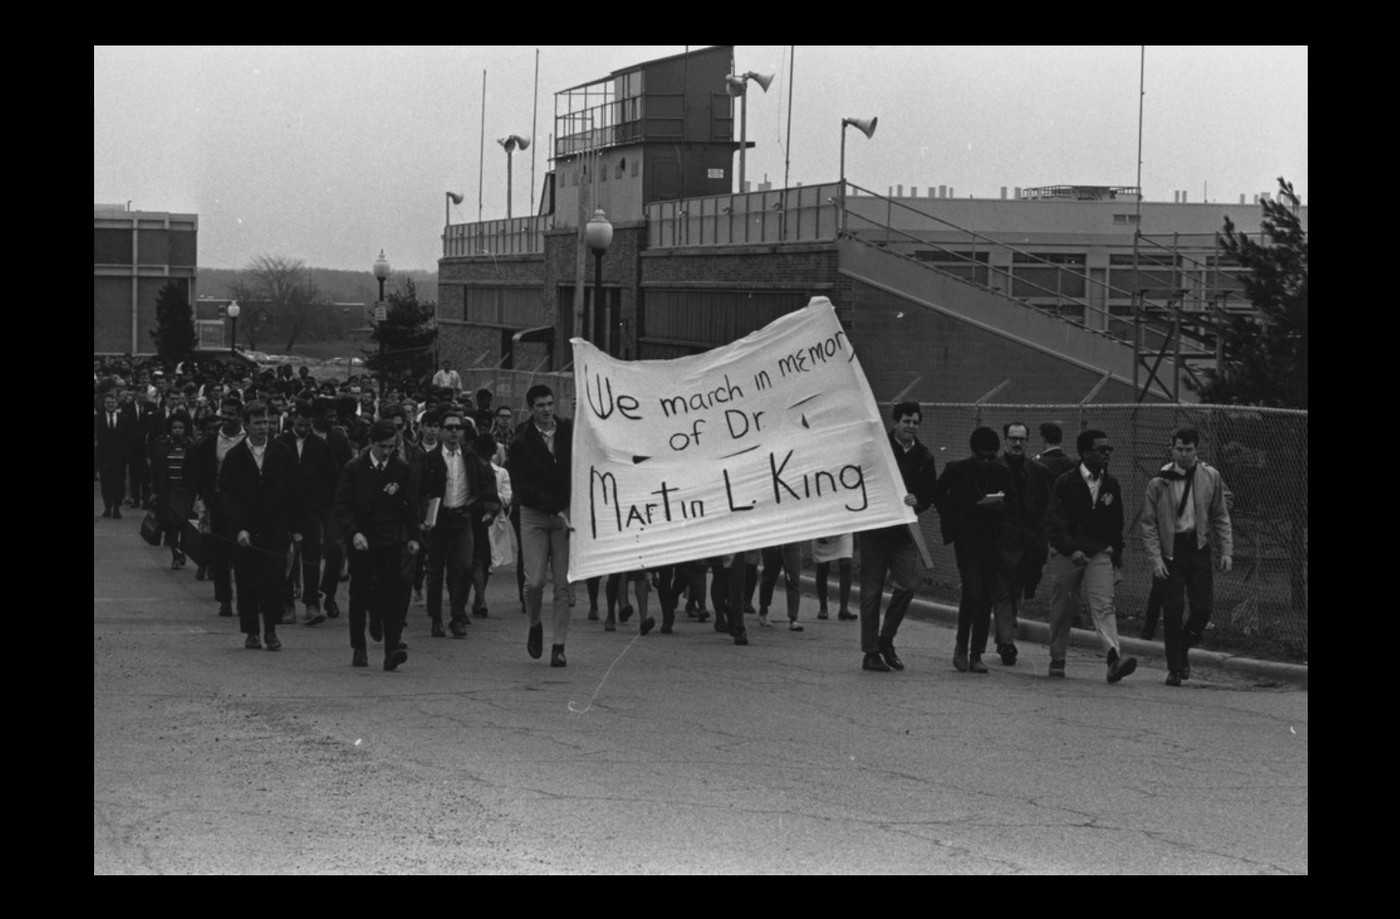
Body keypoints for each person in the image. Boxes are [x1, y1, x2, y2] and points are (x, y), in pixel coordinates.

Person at [1141, 428, 1233, 687]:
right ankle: (1174, 667)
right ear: (1172, 449)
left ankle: (1183, 649)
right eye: (1179, 449)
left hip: (1198, 547)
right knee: (1172, 610)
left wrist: (1226, 550)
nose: (1184, 454)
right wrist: (1156, 559)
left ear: (1196, 450)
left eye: (1189, 449)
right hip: (1172, 551)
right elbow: (1148, 524)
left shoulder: (1210, 476)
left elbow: (1220, 514)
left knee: (1202, 609)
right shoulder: (1160, 481)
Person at [1044, 429, 1137, 682]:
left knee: (1104, 605)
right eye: (1101, 450)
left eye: (1109, 450)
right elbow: (1054, 523)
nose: (1107, 454)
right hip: (1068, 553)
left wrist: (1116, 557)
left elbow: (1116, 526)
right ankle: (1057, 657)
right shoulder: (1064, 482)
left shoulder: (1111, 484)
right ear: (1085, 453)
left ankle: (1113, 659)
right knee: (1063, 604)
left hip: (1098, 553)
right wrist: (1070, 549)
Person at [335, 419, 422, 670]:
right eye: (382, 446)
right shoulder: (354, 468)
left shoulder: (401, 468)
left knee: (393, 593)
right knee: (360, 593)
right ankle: (358, 646)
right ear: (372, 443)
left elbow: (409, 504)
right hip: (362, 539)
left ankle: (392, 647)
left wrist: (414, 536)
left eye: (391, 447)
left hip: (390, 539)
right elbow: (342, 506)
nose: (386, 452)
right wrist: (353, 533)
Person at [859, 401, 938, 672]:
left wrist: (919, 500)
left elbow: (929, 494)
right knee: (871, 591)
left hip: (904, 533)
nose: (911, 427)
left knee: (906, 586)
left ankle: (886, 639)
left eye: (916, 422)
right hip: (876, 531)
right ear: (896, 422)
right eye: (907, 421)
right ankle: (870, 652)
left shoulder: (925, 457)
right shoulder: (879, 449)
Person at [933, 426, 1012, 673]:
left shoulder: (1002, 472)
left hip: (992, 540)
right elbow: (938, 495)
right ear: (972, 452)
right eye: (981, 457)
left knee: (987, 594)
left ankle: (976, 652)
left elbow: (1012, 502)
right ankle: (961, 646)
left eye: (991, 457)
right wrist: (953, 518)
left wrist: (999, 508)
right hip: (966, 539)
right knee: (973, 591)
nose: (986, 462)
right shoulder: (956, 470)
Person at [220, 401, 297, 652]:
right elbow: (229, 498)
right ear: (246, 425)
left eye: (267, 422)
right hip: (247, 530)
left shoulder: (283, 452)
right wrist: (238, 529)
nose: (264, 427)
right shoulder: (235, 456)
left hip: (276, 528)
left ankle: (272, 631)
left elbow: (293, 492)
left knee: (275, 580)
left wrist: (293, 528)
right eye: (258, 423)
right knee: (247, 580)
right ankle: (252, 631)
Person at [507, 384, 574, 667]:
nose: (547, 410)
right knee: (534, 582)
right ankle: (535, 622)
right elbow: (523, 486)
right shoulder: (521, 441)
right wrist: (553, 509)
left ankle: (559, 645)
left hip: (565, 515)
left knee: (563, 584)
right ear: (531, 408)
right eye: (540, 405)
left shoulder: (568, 432)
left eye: (549, 404)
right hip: (535, 514)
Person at [421, 408, 499, 638]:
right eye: (449, 428)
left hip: (463, 518)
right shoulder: (430, 458)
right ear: (442, 432)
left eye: (458, 427)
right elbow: (420, 488)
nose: (454, 432)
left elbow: (487, 483)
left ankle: (457, 615)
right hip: (438, 519)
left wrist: (489, 509)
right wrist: (422, 518)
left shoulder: (471, 457)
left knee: (464, 567)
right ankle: (436, 617)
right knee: (435, 569)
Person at [992, 421, 1050, 665]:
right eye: (1013, 438)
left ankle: (1005, 633)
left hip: (1029, 545)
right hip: (1001, 542)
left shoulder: (1038, 472)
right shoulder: (994, 468)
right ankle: (1006, 643)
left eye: (1021, 439)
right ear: (1005, 439)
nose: (1017, 443)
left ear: (1027, 441)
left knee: (1017, 591)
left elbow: (1046, 507)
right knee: (1003, 591)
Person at [275, 400, 338, 627]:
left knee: (311, 558)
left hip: (311, 510)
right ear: (293, 419)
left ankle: (312, 603)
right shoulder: (280, 443)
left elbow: (330, 478)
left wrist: (322, 502)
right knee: (286, 557)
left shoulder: (320, 446)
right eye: (300, 424)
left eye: (307, 425)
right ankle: (286, 605)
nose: (303, 429)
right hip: (285, 509)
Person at [190, 395, 245, 617]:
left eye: (231, 414)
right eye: (224, 412)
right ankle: (224, 599)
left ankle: (246, 598)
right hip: (219, 503)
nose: (226, 418)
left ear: (240, 416)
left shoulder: (248, 438)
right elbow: (201, 474)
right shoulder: (211, 443)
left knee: (244, 553)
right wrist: (205, 502)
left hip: (244, 504)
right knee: (221, 553)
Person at [149, 412, 196, 569]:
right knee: (171, 524)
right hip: (168, 491)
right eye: (174, 427)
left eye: (180, 427)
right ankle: (175, 555)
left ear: (186, 429)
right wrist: (154, 491)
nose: (177, 430)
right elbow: (155, 470)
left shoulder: (192, 445)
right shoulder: (162, 444)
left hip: (186, 492)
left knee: (184, 524)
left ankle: (182, 550)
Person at [95, 392, 135, 518]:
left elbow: (129, 438)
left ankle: (116, 507)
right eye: (108, 403)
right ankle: (107, 507)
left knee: (118, 483)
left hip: (119, 457)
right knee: (106, 483)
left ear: (116, 404)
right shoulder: (98, 419)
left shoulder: (124, 418)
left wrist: (127, 455)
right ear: (104, 404)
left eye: (112, 402)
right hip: (104, 457)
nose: (110, 405)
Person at [757, 543, 805, 631]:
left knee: (793, 578)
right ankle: (763, 609)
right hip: (773, 542)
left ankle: (793, 618)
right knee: (769, 576)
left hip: (792, 542)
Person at [812, 533, 854, 621]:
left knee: (846, 563)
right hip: (824, 528)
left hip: (843, 529)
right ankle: (823, 607)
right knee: (822, 566)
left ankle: (844, 608)